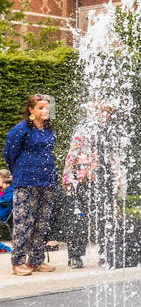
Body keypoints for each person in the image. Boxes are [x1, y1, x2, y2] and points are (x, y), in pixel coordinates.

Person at [3, 94, 58, 275]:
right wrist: (18, 169)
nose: (45, 110)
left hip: (47, 180)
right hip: (26, 181)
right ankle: (17, 262)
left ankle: (36, 260)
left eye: (47, 107)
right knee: (23, 221)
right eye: (41, 107)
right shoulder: (21, 129)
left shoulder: (48, 129)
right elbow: (9, 152)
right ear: (31, 110)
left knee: (41, 223)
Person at [62, 100, 119, 269]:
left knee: (103, 218)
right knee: (79, 219)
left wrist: (118, 179)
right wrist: (67, 178)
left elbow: (115, 157)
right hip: (84, 180)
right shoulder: (83, 130)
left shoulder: (111, 133)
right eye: (101, 112)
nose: (105, 116)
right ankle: (75, 255)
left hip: (105, 179)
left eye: (107, 113)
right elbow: (72, 155)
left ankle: (104, 253)